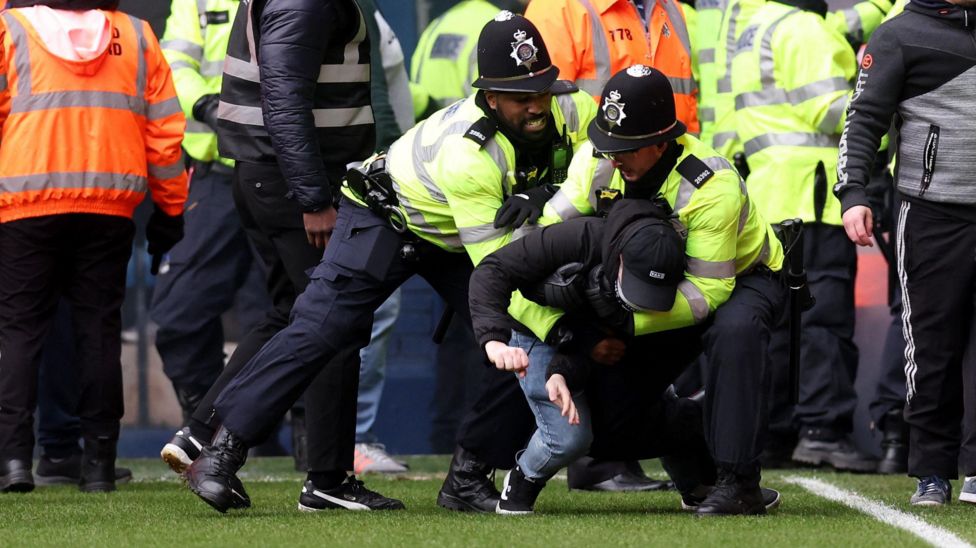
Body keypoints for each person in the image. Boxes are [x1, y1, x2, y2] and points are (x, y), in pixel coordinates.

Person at [181, 12, 596, 514]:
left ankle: (468, 477)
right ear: (490, 98)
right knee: (319, 328)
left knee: (516, 342)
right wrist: (559, 327)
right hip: (386, 217)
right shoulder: (468, 154)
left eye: (541, 90)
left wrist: (546, 192)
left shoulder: (575, 107)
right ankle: (220, 453)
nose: (535, 106)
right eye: (519, 96)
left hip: (454, 233)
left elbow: (595, 173)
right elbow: (499, 272)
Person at [521, 65, 787, 515]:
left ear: (661, 143)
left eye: (624, 149)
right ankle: (696, 426)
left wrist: (620, 317)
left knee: (734, 332)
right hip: (644, 293)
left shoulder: (711, 185)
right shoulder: (597, 159)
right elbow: (550, 234)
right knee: (606, 431)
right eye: (607, 144)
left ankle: (739, 482)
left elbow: (709, 292)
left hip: (742, 278)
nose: (612, 158)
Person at [158, 0, 379, 502]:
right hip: (292, 181)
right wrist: (314, 198)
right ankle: (327, 481)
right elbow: (284, 100)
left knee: (287, 313)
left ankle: (200, 431)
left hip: (269, 174)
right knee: (335, 320)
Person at [470, 198, 763, 514]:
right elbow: (491, 272)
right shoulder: (576, 238)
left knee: (661, 405)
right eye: (636, 286)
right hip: (535, 329)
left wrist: (569, 364)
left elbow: (610, 332)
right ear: (618, 259)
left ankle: (696, 485)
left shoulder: (684, 263)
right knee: (569, 437)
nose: (641, 301)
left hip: (588, 339)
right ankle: (520, 483)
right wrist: (494, 341)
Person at [0, 0, 187, 493]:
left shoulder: (10, 29)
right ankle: (99, 464)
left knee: (19, 331)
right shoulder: (137, 35)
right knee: (99, 332)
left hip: (24, 203)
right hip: (108, 206)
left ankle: (14, 460)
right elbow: (164, 134)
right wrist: (170, 210)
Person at [835, 0, 976, 506]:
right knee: (932, 346)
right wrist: (853, 193)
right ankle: (932, 473)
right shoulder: (899, 35)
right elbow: (863, 120)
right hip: (930, 215)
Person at [730, 0, 876, 473]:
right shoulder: (806, 29)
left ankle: (777, 432)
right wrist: (888, 110)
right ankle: (823, 430)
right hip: (812, 197)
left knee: (778, 325)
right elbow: (835, 113)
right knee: (823, 319)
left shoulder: (754, 28)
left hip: (770, 200)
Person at [154, 0, 272, 427]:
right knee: (178, 314)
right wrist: (207, 105)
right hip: (217, 174)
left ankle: (300, 439)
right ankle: (207, 428)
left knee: (296, 315)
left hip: (287, 176)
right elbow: (173, 63)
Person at [525, 0, 699, 134]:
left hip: (672, 162)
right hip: (598, 164)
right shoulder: (556, 8)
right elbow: (547, 109)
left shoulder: (672, 8)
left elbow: (687, 105)